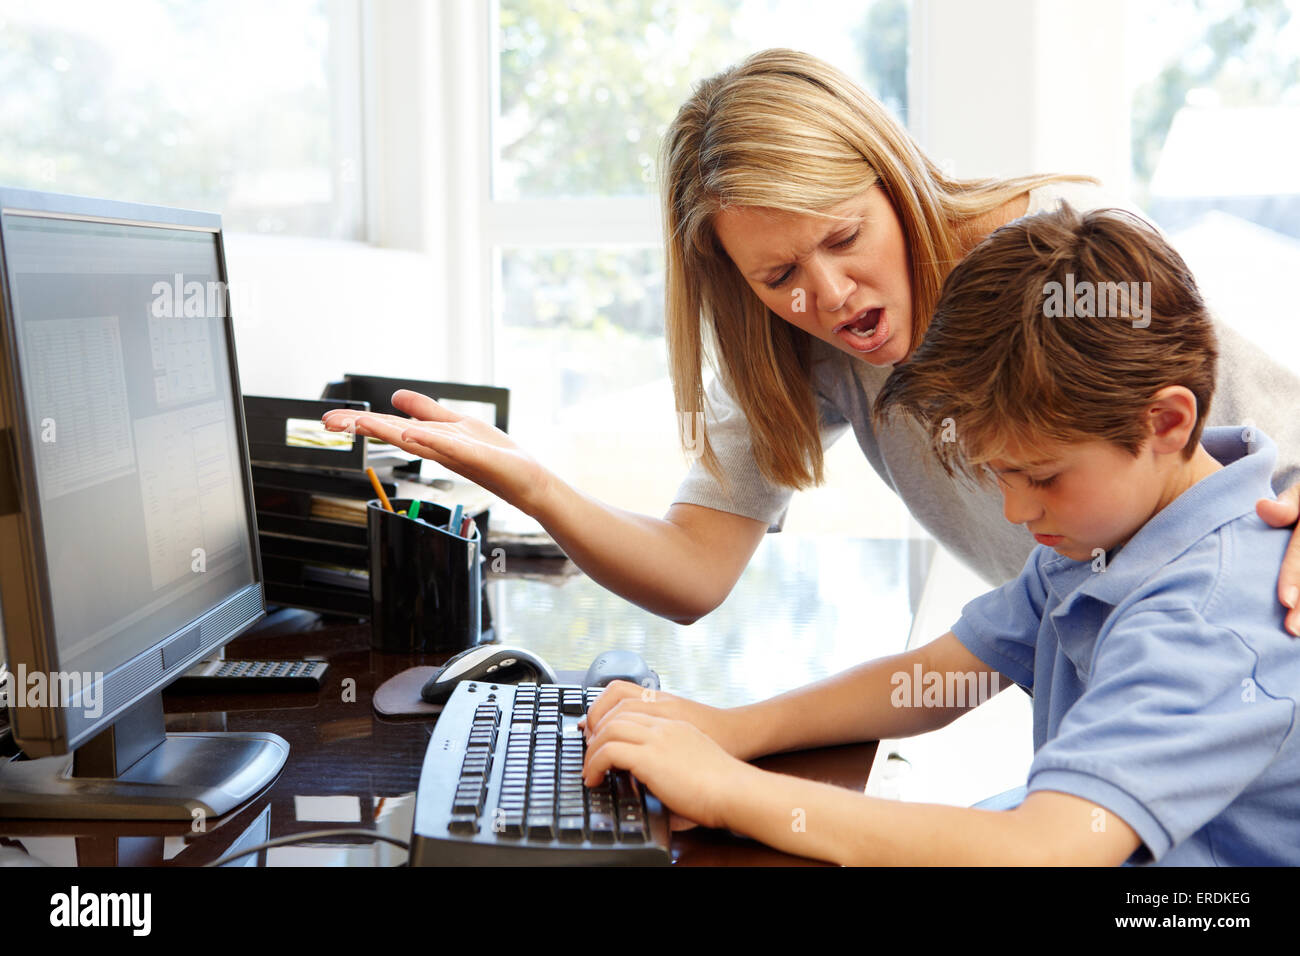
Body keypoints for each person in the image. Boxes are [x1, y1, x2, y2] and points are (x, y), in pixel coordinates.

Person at [321, 48, 1300, 635]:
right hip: (1096, 667)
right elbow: (694, 568)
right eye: (777, 274)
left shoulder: (1052, 261)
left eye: (843, 237)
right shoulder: (795, 346)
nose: (828, 297)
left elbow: (1274, 430)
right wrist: (530, 480)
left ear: (891, 175)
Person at [579, 204, 1300, 865]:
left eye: (1041, 478)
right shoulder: (1118, 536)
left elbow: (1042, 852)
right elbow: (941, 677)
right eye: (1000, 476)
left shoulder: (1206, 618)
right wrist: (732, 731)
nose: (1017, 512)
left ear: (1167, 423)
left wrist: (726, 791)